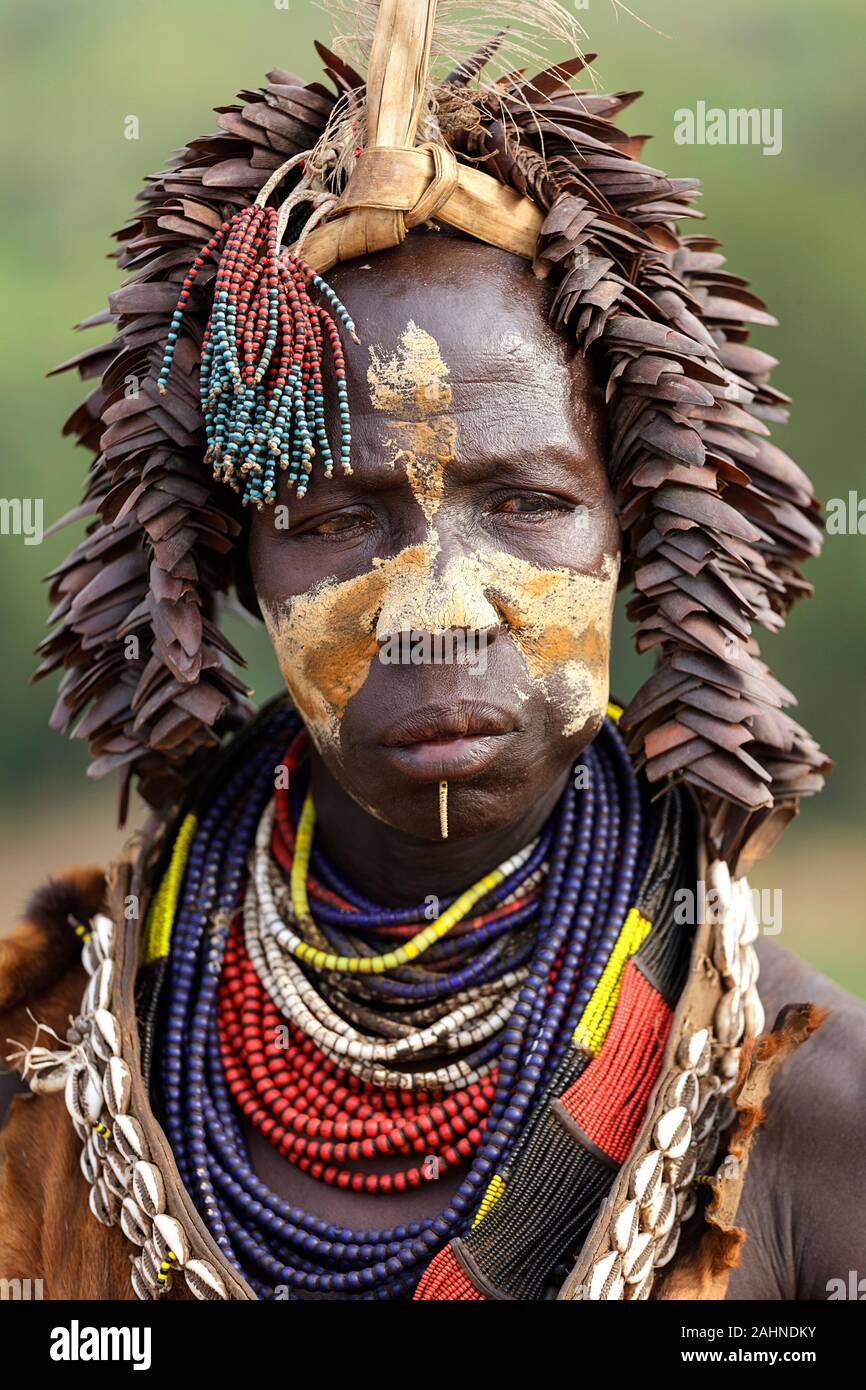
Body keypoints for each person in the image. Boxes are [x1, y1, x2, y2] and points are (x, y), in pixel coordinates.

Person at [1, 0, 863, 1302]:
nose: (436, 606)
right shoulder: (45, 1073)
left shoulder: (812, 1117)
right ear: (234, 563)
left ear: (633, 528)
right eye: (333, 520)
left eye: (524, 502)